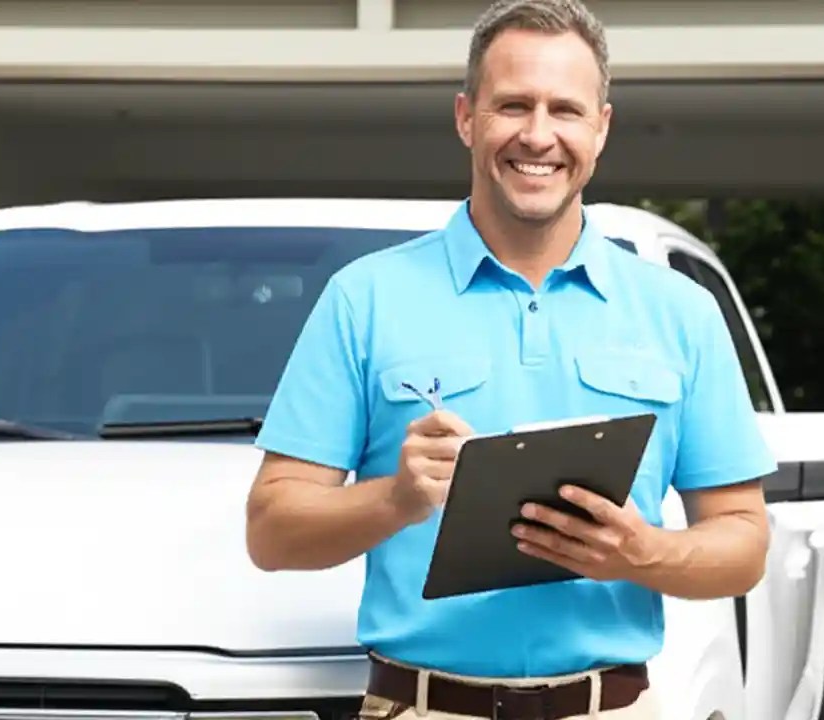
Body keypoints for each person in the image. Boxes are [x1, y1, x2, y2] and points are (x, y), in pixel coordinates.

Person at [244, 0, 776, 717]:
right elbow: (271, 532)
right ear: (467, 117)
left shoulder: (680, 312)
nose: (538, 135)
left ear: (601, 128)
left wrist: (640, 552)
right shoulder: (363, 299)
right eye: (513, 105)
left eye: (565, 110)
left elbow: (744, 543)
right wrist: (396, 499)